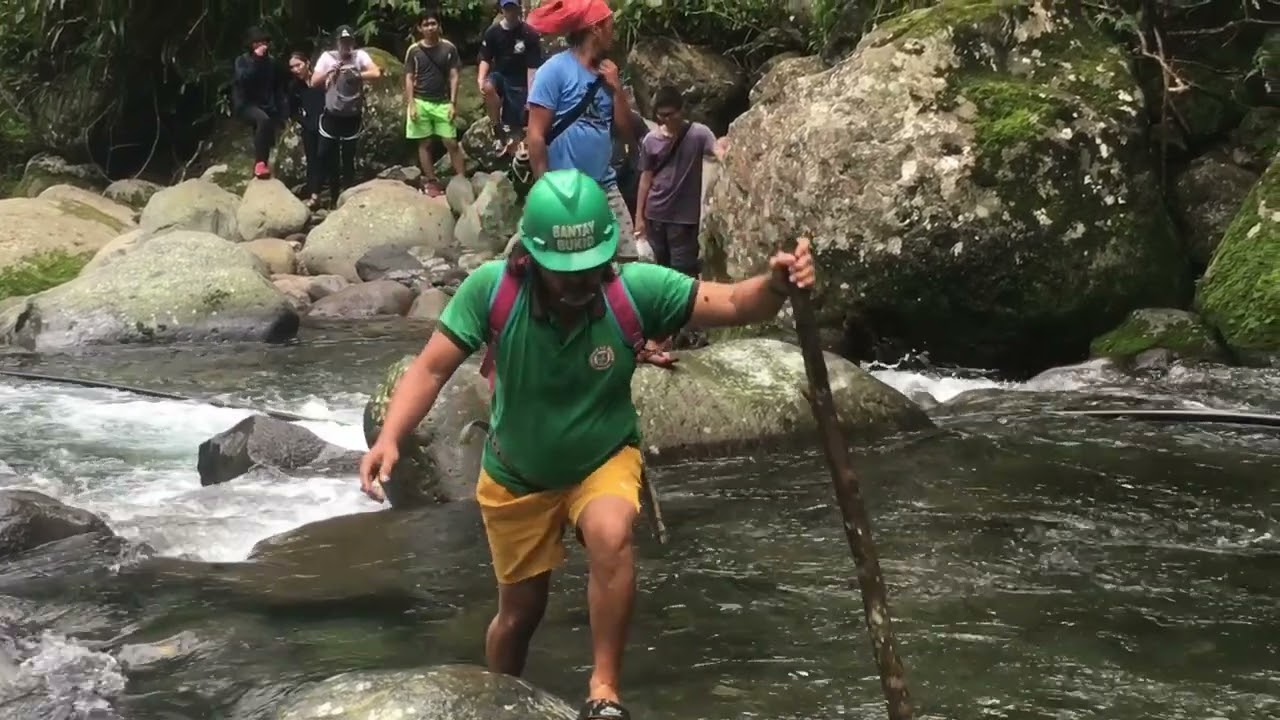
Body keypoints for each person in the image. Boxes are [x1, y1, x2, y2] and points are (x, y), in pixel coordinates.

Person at [358, 168, 816, 720]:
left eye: (588, 269)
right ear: (531, 257)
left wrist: (774, 285)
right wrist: (390, 438)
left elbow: (736, 305)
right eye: (562, 272)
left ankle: (604, 693)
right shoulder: (494, 292)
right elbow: (431, 369)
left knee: (610, 531)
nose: (578, 283)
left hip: (602, 458)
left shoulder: (634, 291)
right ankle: (499, 697)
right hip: (516, 474)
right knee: (520, 615)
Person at [524, 0, 643, 263]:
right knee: (574, 262)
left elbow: (623, 131)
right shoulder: (554, 71)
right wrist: (544, 186)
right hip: (565, 189)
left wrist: (617, 89)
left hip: (604, 184)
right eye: (610, 25)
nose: (614, 32)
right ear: (596, 29)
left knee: (627, 260)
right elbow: (535, 134)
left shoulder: (608, 73)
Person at [634, 86, 725, 278]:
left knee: (684, 273)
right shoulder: (650, 141)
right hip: (655, 215)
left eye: (670, 114)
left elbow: (718, 152)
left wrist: (728, 146)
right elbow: (645, 178)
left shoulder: (699, 134)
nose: (666, 120)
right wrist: (639, 217)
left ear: (681, 110)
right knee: (658, 270)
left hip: (684, 220)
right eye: (661, 116)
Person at [311, 25, 382, 206]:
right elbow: (313, 81)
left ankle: (348, 196)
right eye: (343, 42)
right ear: (337, 42)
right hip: (332, 115)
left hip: (352, 115)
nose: (346, 46)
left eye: (349, 41)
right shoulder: (328, 58)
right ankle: (331, 196)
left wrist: (357, 74)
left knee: (348, 157)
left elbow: (376, 72)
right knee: (326, 155)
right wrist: (331, 71)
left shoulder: (360, 56)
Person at [404, 9, 465, 197]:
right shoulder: (414, 50)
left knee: (451, 142)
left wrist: (453, 103)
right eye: (426, 24)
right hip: (421, 101)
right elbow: (408, 77)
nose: (430, 27)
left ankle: (461, 178)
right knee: (425, 142)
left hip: (442, 102)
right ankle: (431, 181)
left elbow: (454, 76)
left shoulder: (449, 49)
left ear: (439, 25)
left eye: (433, 23)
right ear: (419, 28)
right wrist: (411, 104)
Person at [478, 0, 544, 155]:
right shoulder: (493, 32)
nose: (510, 12)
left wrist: (531, 96)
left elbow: (532, 67)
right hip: (500, 75)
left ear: (519, 8)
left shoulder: (529, 34)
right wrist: (481, 78)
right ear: (502, 9)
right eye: (507, 8)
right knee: (487, 86)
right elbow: (485, 57)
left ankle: (512, 139)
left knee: (517, 122)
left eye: (513, 8)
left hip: (520, 80)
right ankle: (496, 126)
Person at [231, 26, 288, 179]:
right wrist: (257, 60)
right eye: (257, 43)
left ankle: (262, 165)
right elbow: (243, 80)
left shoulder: (272, 63)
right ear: (251, 45)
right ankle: (260, 163)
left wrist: (282, 111)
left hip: (266, 104)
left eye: (264, 42)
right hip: (246, 104)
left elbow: (278, 87)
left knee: (267, 129)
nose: (262, 46)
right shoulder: (242, 61)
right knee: (263, 120)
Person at [286, 51, 326, 208]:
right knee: (312, 160)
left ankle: (332, 192)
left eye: (298, 65)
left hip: (326, 124)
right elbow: (292, 110)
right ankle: (314, 194)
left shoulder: (320, 79)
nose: (296, 70)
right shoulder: (294, 87)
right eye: (292, 67)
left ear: (307, 63)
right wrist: (305, 122)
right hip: (309, 126)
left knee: (328, 157)